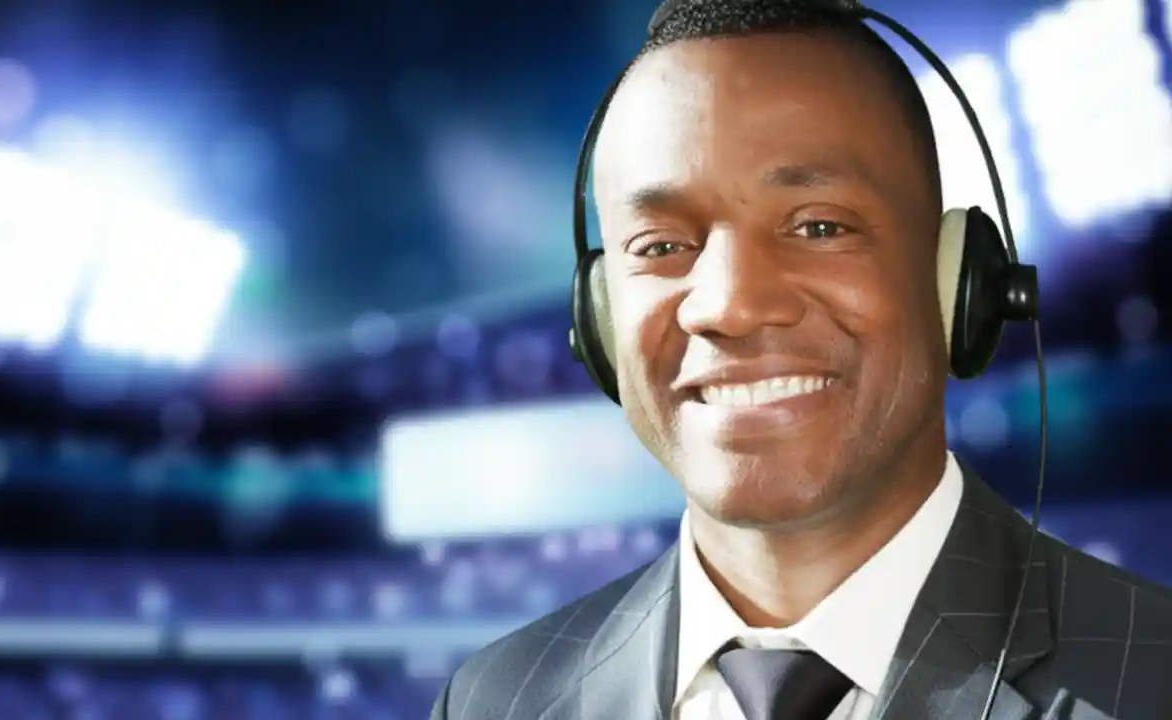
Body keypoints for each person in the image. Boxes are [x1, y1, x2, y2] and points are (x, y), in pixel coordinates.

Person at [430, 1, 1172, 718]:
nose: (730, 305)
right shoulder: (492, 702)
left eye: (818, 228)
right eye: (661, 246)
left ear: (958, 282)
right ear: (597, 318)